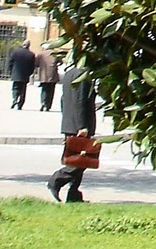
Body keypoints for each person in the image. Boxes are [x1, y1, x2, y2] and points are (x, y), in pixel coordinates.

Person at [47, 61, 98, 203]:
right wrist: (82, 126)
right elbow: (80, 101)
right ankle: (56, 180)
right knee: (78, 162)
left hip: (70, 123)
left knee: (81, 160)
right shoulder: (82, 75)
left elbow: (64, 100)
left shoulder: (69, 73)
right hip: (79, 125)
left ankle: (74, 194)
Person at [7, 40, 35, 110]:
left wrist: (10, 71)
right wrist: (29, 73)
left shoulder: (15, 52)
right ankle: (20, 104)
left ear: (23, 44)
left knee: (15, 87)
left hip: (16, 73)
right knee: (23, 90)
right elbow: (32, 66)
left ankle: (14, 99)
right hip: (25, 75)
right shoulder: (31, 54)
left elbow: (10, 62)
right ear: (29, 45)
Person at [35, 45, 59, 111]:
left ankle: (43, 102)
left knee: (44, 89)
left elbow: (36, 64)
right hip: (53, 75)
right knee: (51, 91)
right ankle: (48, 105)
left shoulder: (41, 54)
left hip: (43, 75)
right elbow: (60, 62)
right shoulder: (55, 54)